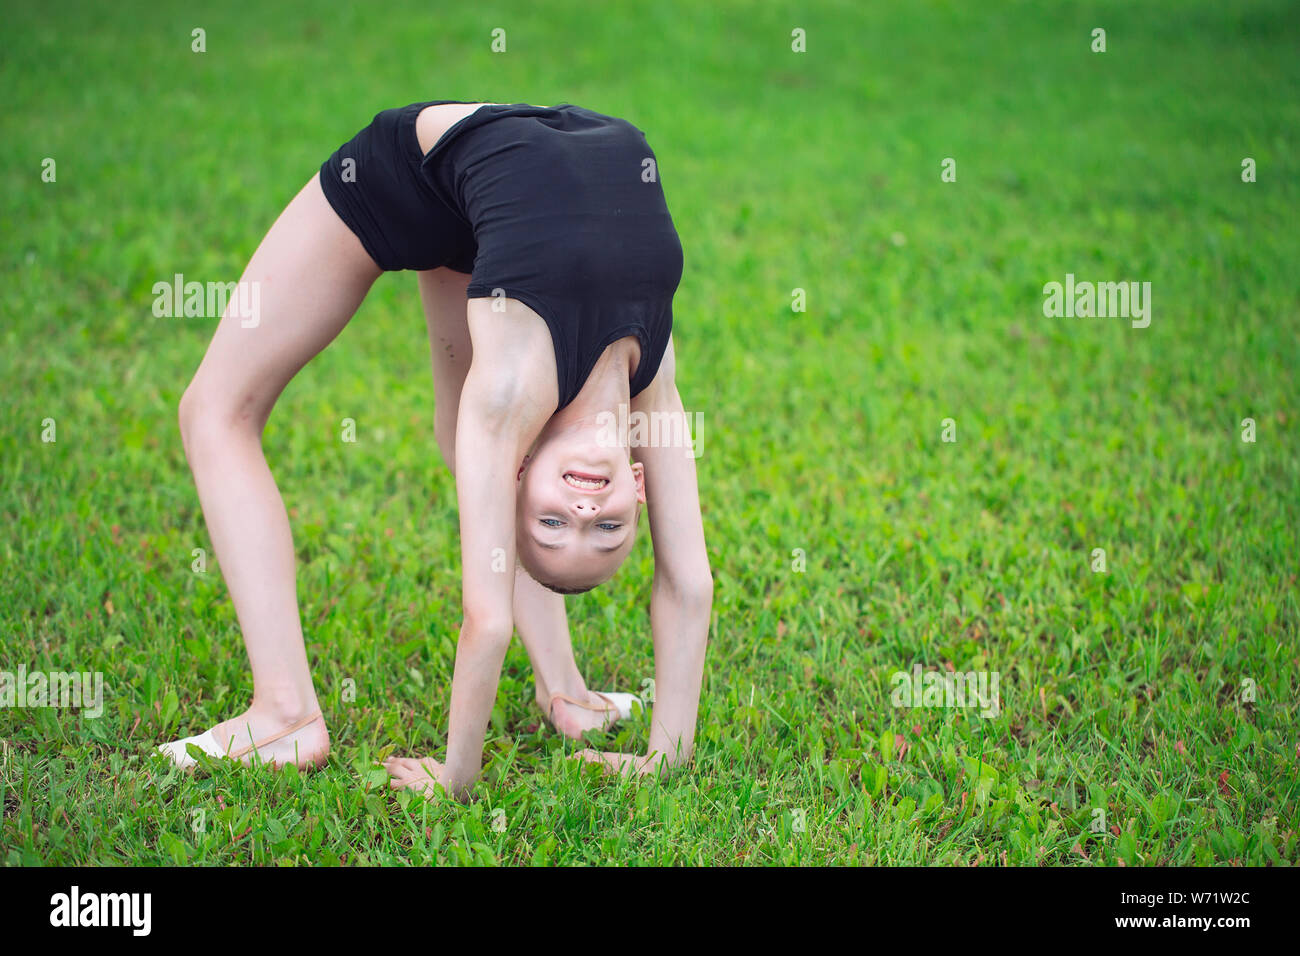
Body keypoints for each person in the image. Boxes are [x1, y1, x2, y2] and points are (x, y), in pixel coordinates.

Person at [157, 100, 713, 800]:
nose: (582, 506)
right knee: (236, 411)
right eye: (606, 528)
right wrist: (669, 755)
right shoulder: (651, 388)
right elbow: (690, 582)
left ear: (521, 472)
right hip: (465, 172)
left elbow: (487, 619)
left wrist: (456, 775)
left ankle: (284, 717)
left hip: (416, 181)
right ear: (639, 488)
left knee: (214, 410)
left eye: (553, 521)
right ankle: (567, 694)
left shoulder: (510, 392)